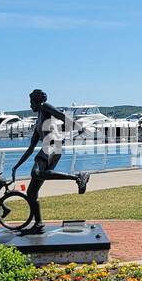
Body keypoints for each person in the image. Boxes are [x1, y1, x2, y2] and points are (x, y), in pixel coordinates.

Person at [10, 89, 90, 233]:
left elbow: (61, 115)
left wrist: (78, 127)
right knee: (31, 192)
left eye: (31, 102)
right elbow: (30, 148)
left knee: (36, 172)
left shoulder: (44, 106)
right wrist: (16, 166)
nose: (30, 106)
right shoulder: (38, 124)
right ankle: (39, 225)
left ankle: (78, 177)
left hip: (53, 145)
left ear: (37, 101)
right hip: (52, 147)